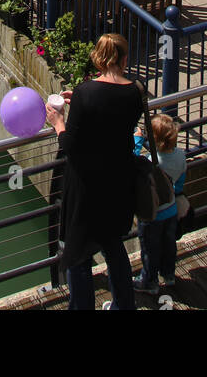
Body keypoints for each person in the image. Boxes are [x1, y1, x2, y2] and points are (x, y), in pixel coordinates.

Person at [45, 33, 139, 311]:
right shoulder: (135, 91)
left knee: (77, 254)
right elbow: (111, 116)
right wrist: (82, 103)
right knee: (113, 245)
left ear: (98, 58)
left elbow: (71, 145)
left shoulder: (87, 92)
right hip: (118, 181)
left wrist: (58, 122)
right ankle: (125, 304)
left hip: (86, 185)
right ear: (123, 59)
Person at [134, 115, 186, 293]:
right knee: (168, 245)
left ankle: (149, 281)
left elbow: (131, 162)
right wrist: (176, 191)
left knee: (150, 250)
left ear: (153, 140)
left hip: (152, 213)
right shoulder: (180, 156)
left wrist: (138, 140)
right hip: (171, 208)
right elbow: (180, 180)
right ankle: (169, 275)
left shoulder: (150, 162)